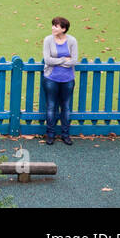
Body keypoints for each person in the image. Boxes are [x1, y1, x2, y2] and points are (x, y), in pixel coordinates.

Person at [42, 18, 77, 146]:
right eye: (53, 25)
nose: (53, 28)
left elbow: (73, 61)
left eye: (56, 26)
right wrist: (63, 59)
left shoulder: (72, 41)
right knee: (51, 106)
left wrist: (57, 61)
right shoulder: (48, 40)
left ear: (63, 28)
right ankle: (50, 135)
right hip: (51, 78)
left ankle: (65, 135)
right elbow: (47, 60)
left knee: (66, 107)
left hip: (68, 80)